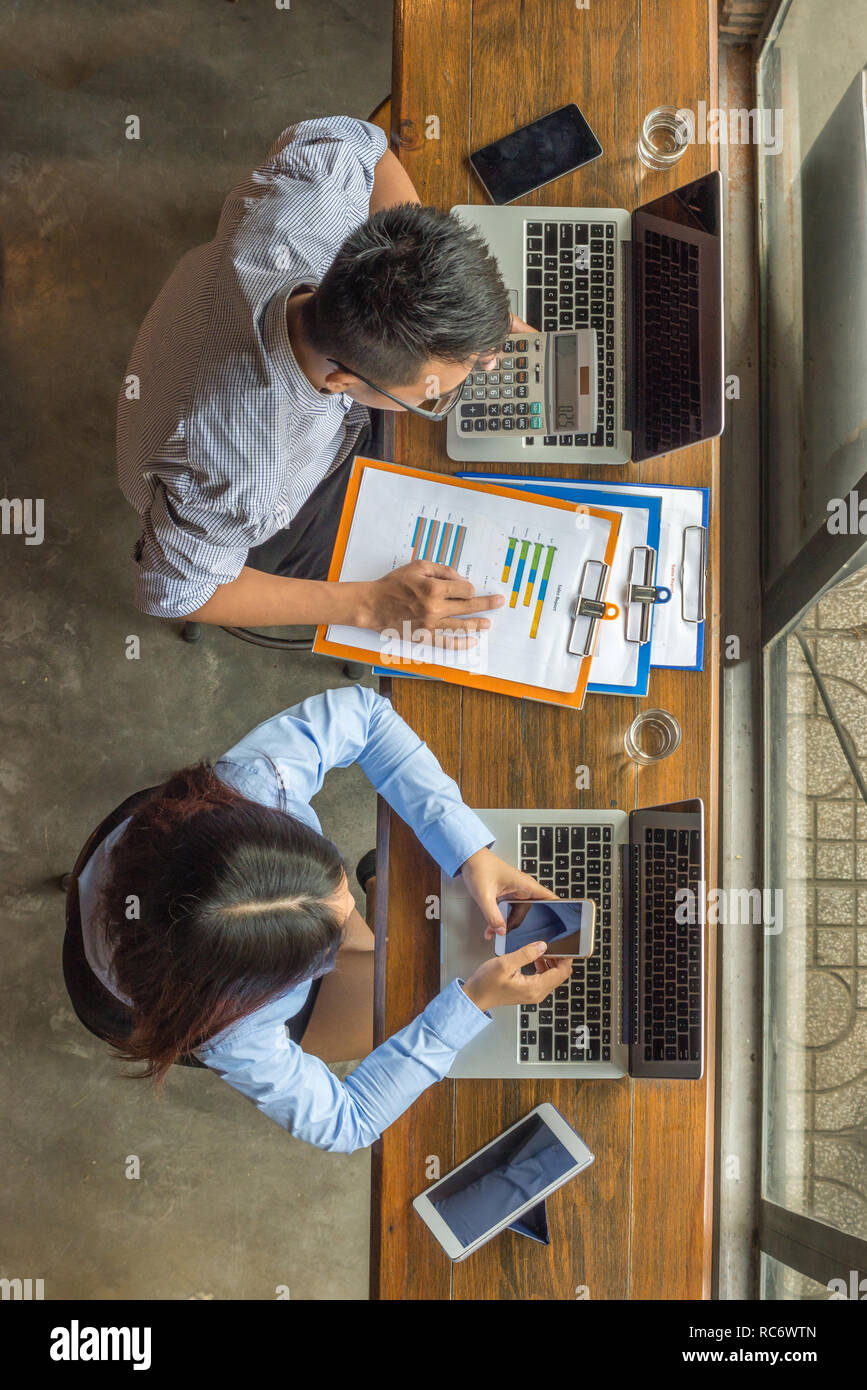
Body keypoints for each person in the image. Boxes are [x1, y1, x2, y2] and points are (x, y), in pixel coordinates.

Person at [69, 686, 571, 1153]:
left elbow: (368, 715)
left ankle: (375, 889)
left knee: (386, 966)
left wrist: (469, 850)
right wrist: (471, 1004)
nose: (350, 907)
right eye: (323, 945)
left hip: (143, 855)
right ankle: (377, 888)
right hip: (129, 994)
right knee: (400, 988)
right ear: (254, 994)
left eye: (334, 879)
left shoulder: (257, 783)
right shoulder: (233, 1031)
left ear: (272, 823)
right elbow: (346, 1123)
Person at [117, 114, 527, 641]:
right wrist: (368, 604)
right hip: (202, 455)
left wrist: (441, 298)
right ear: (342, 382)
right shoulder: (247, 479)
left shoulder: (316, 191)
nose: (469, 378)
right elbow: (172, 591)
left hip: (197, 329)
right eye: (434, 395)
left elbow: (368, 144)